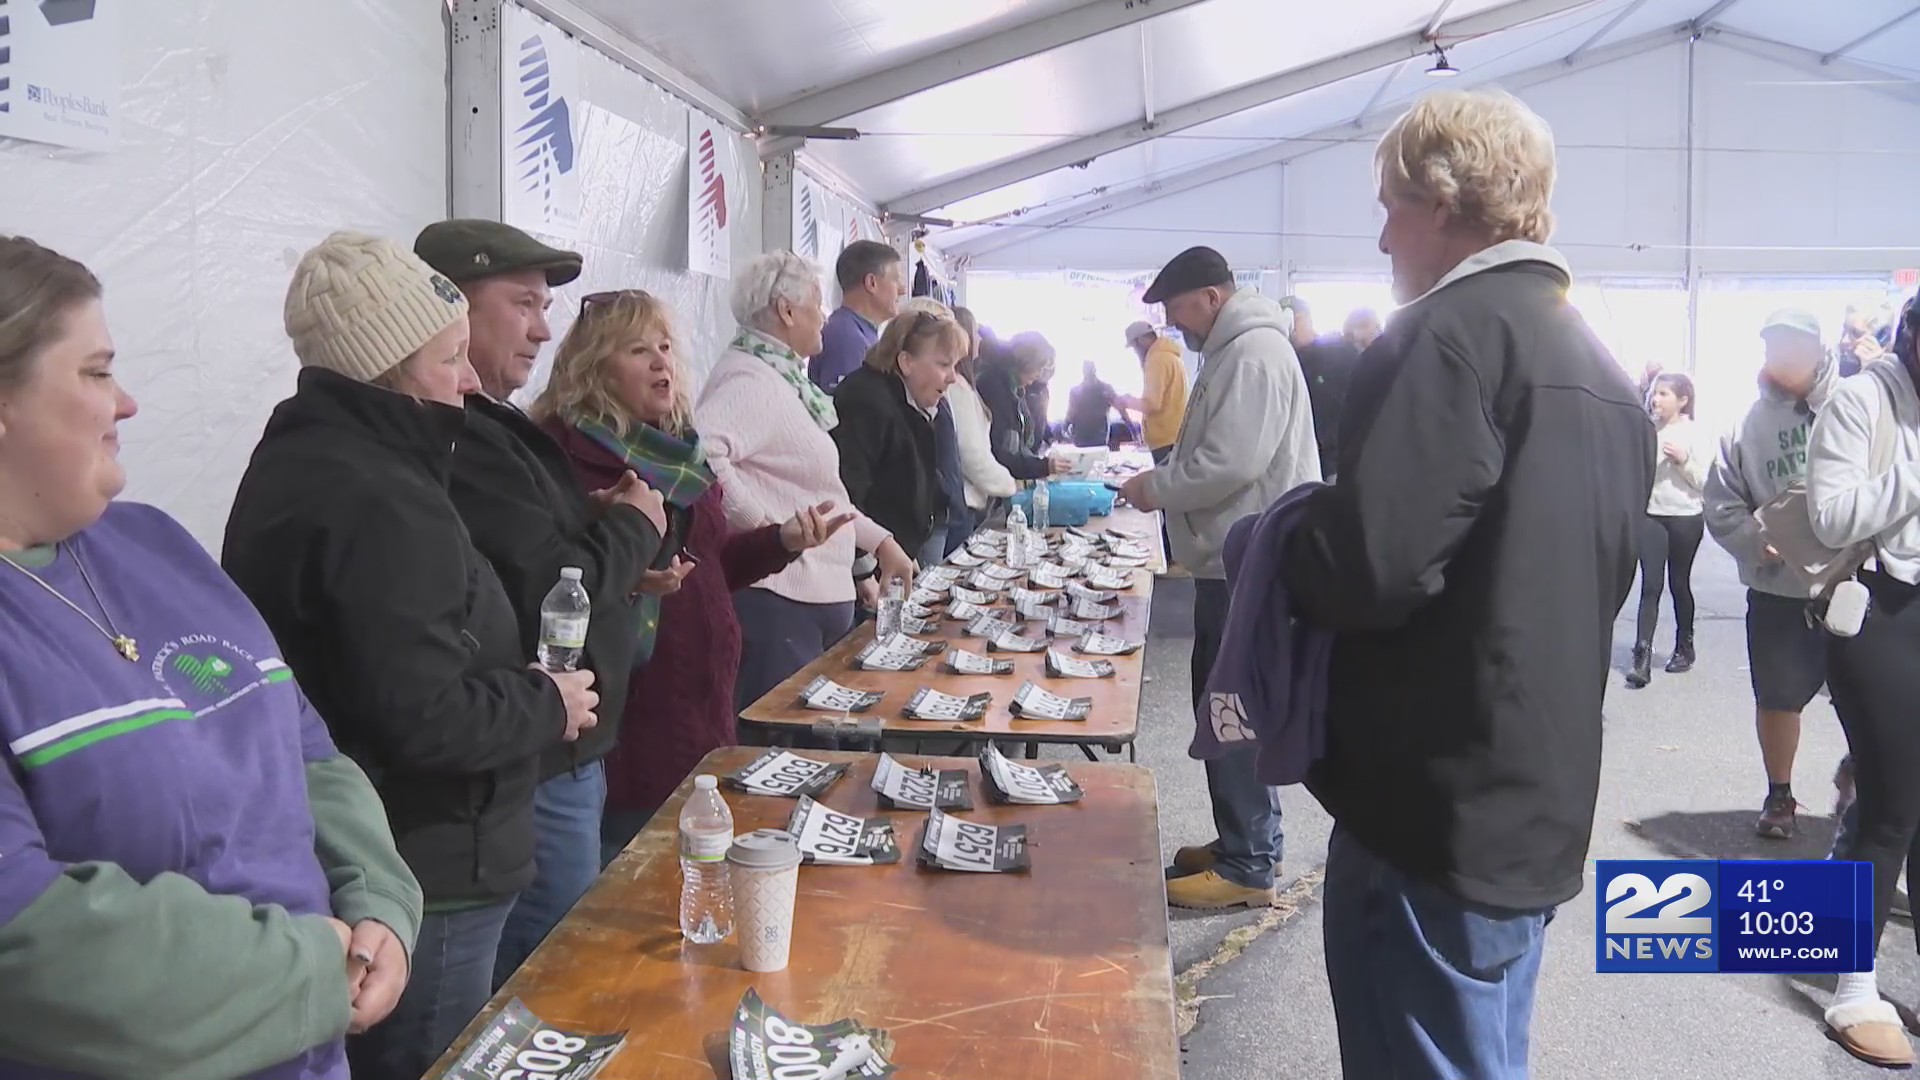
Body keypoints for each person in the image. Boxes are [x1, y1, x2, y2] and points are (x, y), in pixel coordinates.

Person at [1277, 90, 1654, 1079]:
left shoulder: (1442, 337)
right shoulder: (1598, 365)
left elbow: (1367, 570)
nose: (1383, 232)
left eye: (1392, 203)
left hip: (1428, 802)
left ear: (1443, 203)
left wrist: (1287, 537)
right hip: (1532, 792)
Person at [0, 235, 422, 1080]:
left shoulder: (155, 545)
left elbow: (301, 746)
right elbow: (26, 942)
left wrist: (378, 899)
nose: (126, 403)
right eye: (95, 372)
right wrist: (308, 970)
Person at [223, 233, 589, 1079]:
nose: (469, 381)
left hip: (399, 854)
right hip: (427, 866)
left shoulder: (320, 456)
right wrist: (549, 704)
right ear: (385, 370)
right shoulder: (377, 496)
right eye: (450, 358)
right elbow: (423, 714)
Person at [413, 220, 667, 985]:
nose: (542, 328)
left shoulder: (494, 426)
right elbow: (552, 585)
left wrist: (610, 541)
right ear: (451, 307)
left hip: (561, 745)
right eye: (523, 303)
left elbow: (542, 563)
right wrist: (631, 526)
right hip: (542, 753)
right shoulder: (469, 436)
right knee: (555, 974)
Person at [528, 289, 854, 861]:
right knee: (630, 872)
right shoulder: (565, 454)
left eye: (665, 348)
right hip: (632, 716)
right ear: (593, 367)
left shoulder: (679, 449)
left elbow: (709, 564)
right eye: (638, 350)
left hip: (704, 707)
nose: (662, 363)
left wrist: (780, 541)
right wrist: (630, 577)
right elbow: (555, 580)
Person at [1117, 245, 1319, 910]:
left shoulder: (1252, 354)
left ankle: (1248, 862)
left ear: (1210, 297)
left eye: (1177, 310)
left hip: (1249, 562)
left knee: (1232, 706)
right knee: (1225, 701)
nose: (1176, 325)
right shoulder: (1232, 351)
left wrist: (1157, 487)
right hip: (1234, 557)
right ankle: (1246, 835)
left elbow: (1230, 462)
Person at [696, 251, 916, 713]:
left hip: (809, 598)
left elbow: (822, 492)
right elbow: (703, 455)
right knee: (778, 741)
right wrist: (768, 530)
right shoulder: (750, 379)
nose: (826, 315)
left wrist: (881, 543)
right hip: (780, 603)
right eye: (818, 303)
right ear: (786, 310)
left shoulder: (783, 379)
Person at [1804, 290, 1920, 1068]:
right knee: (1890, 806)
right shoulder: (1859, 398)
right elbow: (1831, 517)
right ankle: (1854, 983)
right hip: (1880, 611)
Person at [1704, 308, 1840, 840]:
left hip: (1857, 585)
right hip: (1778, 587)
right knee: (1778, 695)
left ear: (1819, 351)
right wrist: (1754, 541)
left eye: (1794, 346)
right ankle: (1779, 793)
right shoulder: (1745, 425)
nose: (1782, 357)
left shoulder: (1854, 405)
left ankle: (1858, 776)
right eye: (1773, 346)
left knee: (1873, 697)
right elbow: (1720, 503)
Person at [833, 307, 967, 567]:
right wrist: (864, 568)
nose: (952, 377)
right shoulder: (865, 402)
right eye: (943, 364)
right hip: (867, 565)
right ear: (906, 362)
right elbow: (848, 493)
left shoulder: (910, 401)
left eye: (955, 366)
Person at [1626, 372, 1710, 688]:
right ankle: (1642, 657)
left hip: (1685, 516)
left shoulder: (1695, 432)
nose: (1656, 399)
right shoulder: (1646, 430)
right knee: (1650, 585)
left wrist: (1683, 460)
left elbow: (1705, 482)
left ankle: (1684, 646)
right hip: (1651, 516)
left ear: (1683, 400)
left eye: (1663, 394)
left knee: (1679, 583)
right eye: (1654, 393)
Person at [898, 297, 971, 565]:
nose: (952, 376)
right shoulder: (880, 404)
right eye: (944, 364)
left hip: (937, 516)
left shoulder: (931, 400)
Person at [946, 306, 1016, 544]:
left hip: (968, 504)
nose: (980, 338)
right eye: (975, 332)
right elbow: (971, 454)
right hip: (962, 507)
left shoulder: (964, 385)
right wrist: (1009, 485)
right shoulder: (956, 388)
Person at [808, 240, 906, 392]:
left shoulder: (855, 332)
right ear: (871, 283)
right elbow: (850, 410)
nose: (903, 290)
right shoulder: (846, 338)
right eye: (896, 280)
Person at [1283, 295, 1360, 481]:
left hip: (1339, 460)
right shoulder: (1287, 360)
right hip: (1303, 461)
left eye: (1295, 320)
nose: (1291, 329)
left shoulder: (1341, 351)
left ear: (1304, 319)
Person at [979, 331, 1071, 482]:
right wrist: (1044, 466)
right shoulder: (995, 389)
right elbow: (1001, 453)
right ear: (1027, 361)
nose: (1039, 374)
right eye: (1039, 367)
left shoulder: (1015, 389)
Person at [1116, 320, 1189, 464]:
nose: (1136, 352)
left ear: (1142, 340)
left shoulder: (1157, 359)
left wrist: (1126, 401)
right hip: (1176, 436)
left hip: (1165, 440)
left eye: (1134, 346)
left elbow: (1152, 405)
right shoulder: (1171, 357)